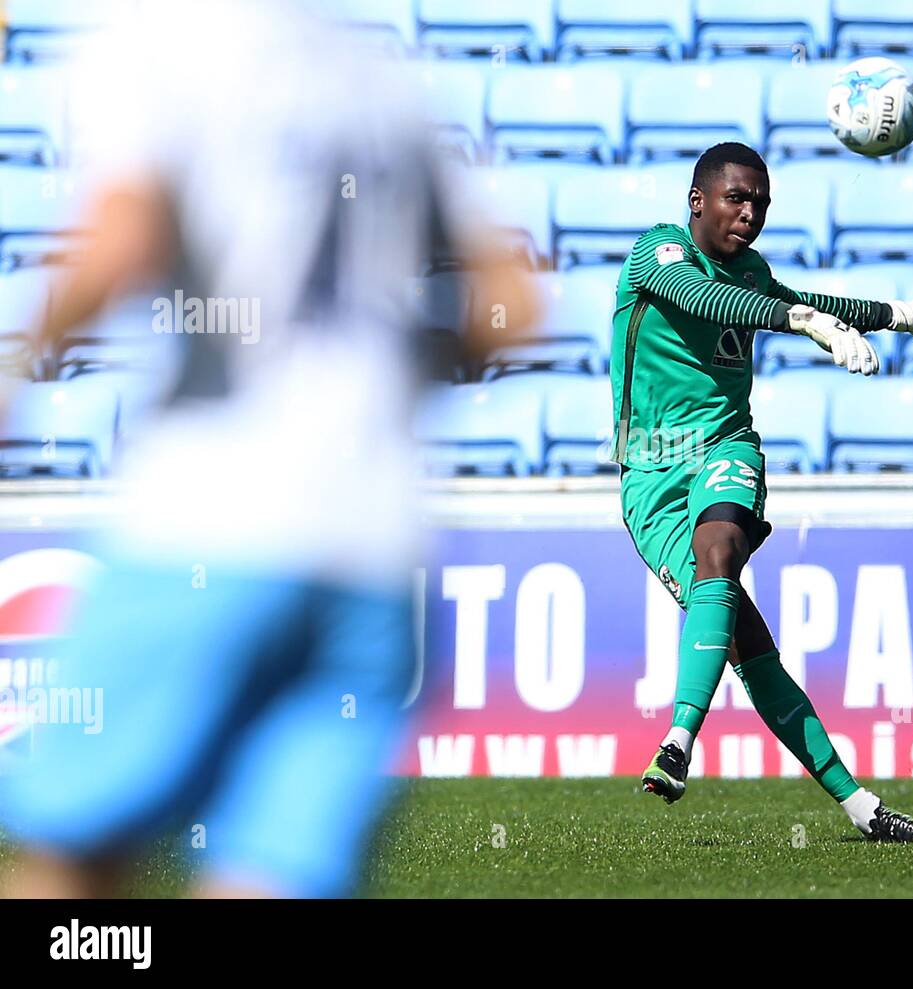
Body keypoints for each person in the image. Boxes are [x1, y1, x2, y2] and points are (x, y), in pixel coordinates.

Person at [0, 0, 535, 897]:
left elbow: (127, 234)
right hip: (375, 549)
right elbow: (515, 304)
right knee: (269, 877)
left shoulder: (158, 41)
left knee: (76, 862)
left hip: (213, 511)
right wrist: (373, 363)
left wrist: (18, 360)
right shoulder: (378, 80)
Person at [611, 142, 913, 843]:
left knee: (718, 549)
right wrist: (803, 321)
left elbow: (790, 300)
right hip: (651, 474)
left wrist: (897, 312)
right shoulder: (656, 253)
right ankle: (862, 807)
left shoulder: (752, 273)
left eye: (761, 204)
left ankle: (679, 740)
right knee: (746, 640)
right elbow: (706, 298)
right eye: (735, 199)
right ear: (698, 202)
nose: (750, 214)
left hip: (723, 448)